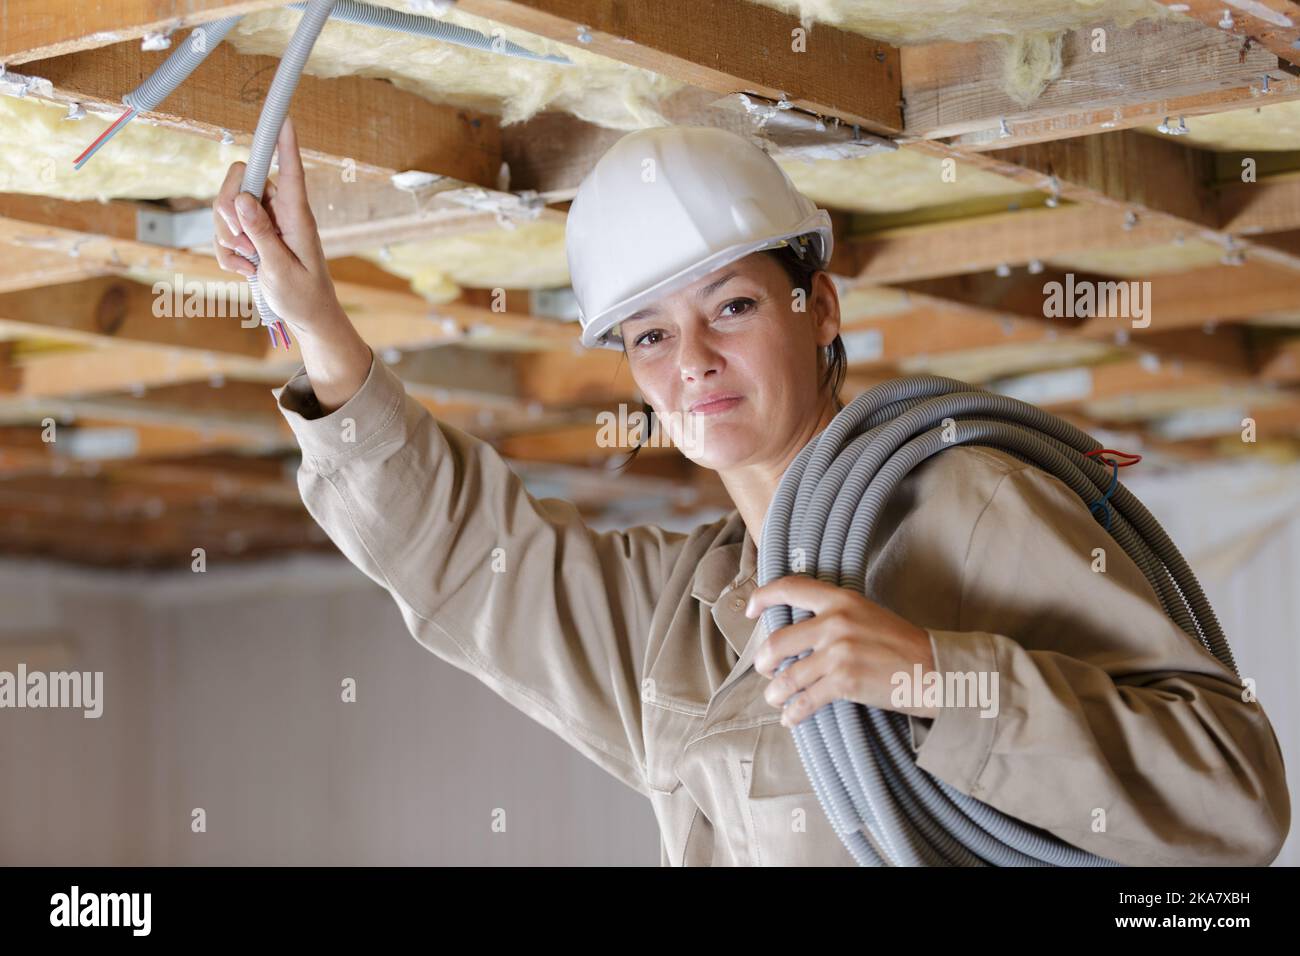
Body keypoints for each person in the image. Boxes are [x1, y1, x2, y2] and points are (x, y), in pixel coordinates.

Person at [212, 120, 1290, 867]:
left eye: (729, 306)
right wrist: (320, 328)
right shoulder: (680, 620)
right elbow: (457, 548)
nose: (692, 360)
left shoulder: (967, 506)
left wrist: (933, 674)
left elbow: (1233, 803)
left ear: (817, 305)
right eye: (649, 334)